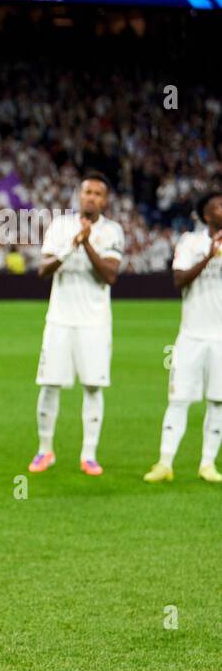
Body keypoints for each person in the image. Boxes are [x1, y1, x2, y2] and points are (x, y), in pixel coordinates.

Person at [29, 171, 124, 476]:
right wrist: (71, 246)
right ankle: (45, 450)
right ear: (79, 195)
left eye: (97, 193)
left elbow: (109, 276)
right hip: (59, 319)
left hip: (94, 322)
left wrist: (87, 245)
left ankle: (89, 454)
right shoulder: (60, 226)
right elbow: (43, 271)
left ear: (105, 200)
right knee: (49, 383)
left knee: (93, 386)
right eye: (86, 192)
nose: (90, 198)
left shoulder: (112, 231)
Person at [143, 190, 222, 483]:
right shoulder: (190, 242)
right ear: (206, 213)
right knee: (178, 400)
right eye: (218, 205)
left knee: (218, 401)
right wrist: (209, 257)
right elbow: (179, 280)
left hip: (221, 339)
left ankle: (208, 464)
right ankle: (165, 462)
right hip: (191, 336)